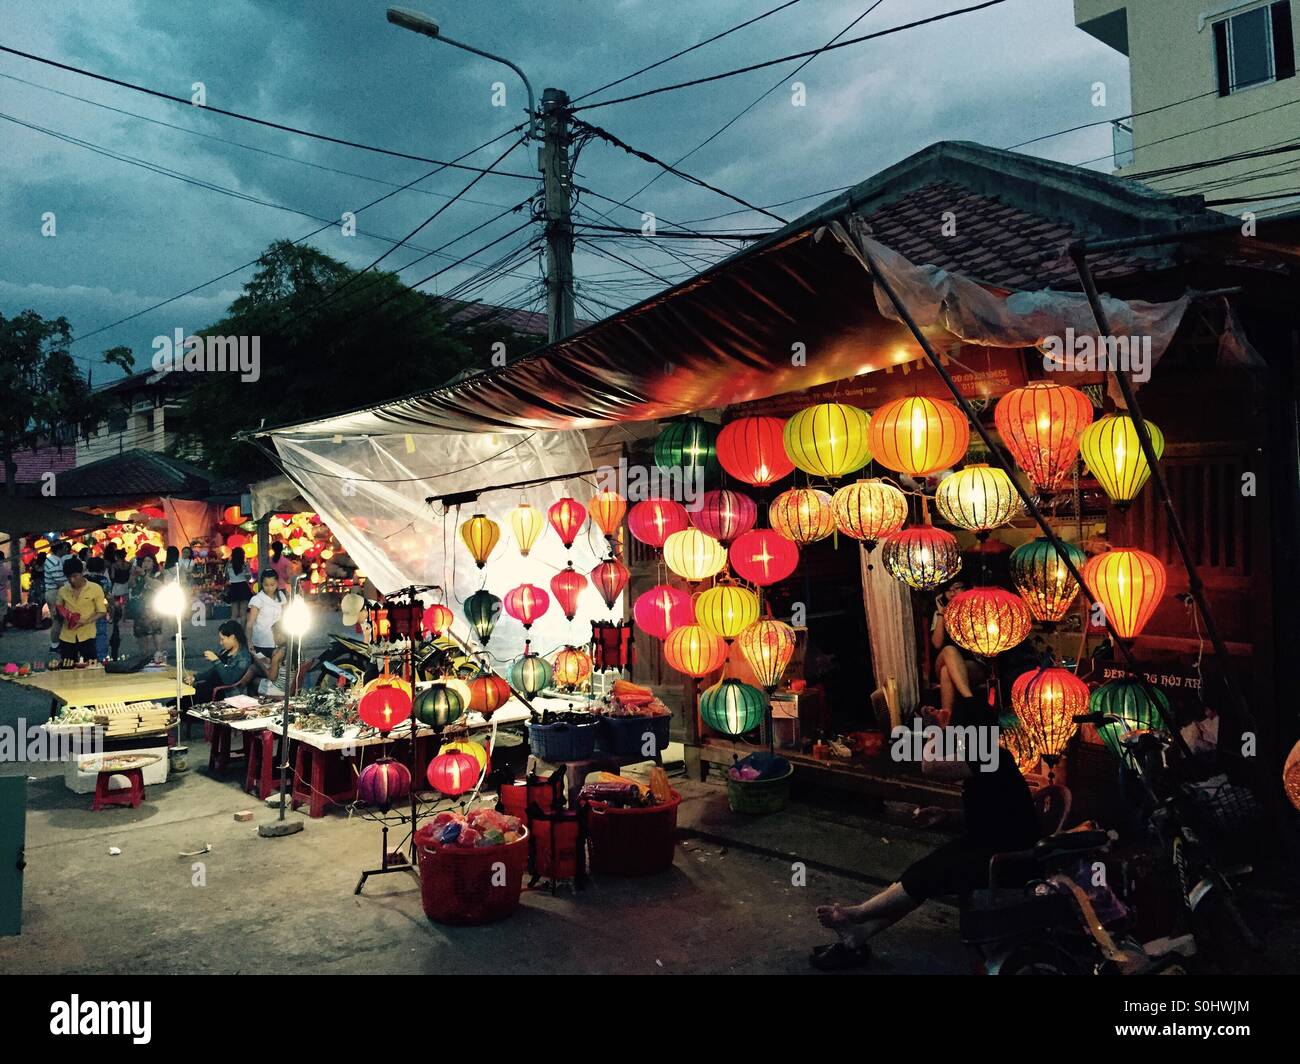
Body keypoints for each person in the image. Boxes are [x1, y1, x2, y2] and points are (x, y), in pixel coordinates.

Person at [811, 697, 1041, 970]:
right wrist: (947, 816)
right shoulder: (989, 756)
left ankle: (858, 914)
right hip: (990, 844)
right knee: (922, 872)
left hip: (1008, 859)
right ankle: (858, 932)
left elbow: (929, 766)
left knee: (929, 875)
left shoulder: (990, 755)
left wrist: (936, 729)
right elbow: (996, 814)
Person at [930, 580, 987, 721]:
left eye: (956, 588)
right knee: (949, 650)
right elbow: (937, 644)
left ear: (966, 589)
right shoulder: (940, 613)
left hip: (971, 663)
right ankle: (970, 701)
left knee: (946, 672)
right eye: (948, 590)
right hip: (944, 658)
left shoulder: (976, 610)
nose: (952, 593)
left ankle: (945, 723)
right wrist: (941, 613)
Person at [185, 620, 257, 704]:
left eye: (222, 639)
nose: (220, 643)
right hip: (209, 688)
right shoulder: (226, 652)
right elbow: (214, 671)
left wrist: (216, 660)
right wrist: (195, 677)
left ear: (232, 637)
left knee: (184, 705)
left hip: (221, 692)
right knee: (178, 701)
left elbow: (229, 679)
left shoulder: (244, 658)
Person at [54, 558, 108, 664]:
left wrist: (86, 621)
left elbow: (101, 611)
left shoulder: (95, 588)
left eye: (75, 576)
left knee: (90, 667)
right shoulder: (63, 591)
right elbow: (58, 607)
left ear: (82, 573)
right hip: (67, 636)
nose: (72, 580)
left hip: (87, 635)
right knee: (67, 667)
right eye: (69, 577)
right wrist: (62, 614)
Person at [246, 569, 287, 687]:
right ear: (261, 584)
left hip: (277, 641)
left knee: (275, 673)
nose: (269, 588)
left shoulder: (281, 597)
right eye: (266, 585)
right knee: (262, 673)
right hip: (262, 642)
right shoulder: (257, 600)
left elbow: (284, 617)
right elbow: (250, 623)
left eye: (272, 585)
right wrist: (249, 642)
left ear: (277, 583)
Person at [128, 553, 163, 662]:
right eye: (144, 561)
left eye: (149, 561)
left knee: (156, 629)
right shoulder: (137, 574)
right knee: (140, 631)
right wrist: (133, 575)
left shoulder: (158, 574)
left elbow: (157, 585)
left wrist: (144, 575)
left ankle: (159, 652)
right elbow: (131, 586)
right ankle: (144, 654)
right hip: (140, 605)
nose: (146, 563)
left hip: (154, 605)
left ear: (154, 563)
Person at [44, 541, 73, 650]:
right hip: (55, 593)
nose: (67, 549)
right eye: (65, 548)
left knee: (59, 620)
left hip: (55, 592)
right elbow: (60, 582)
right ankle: (55, 645)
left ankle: (58, 643)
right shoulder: (54, 562)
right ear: (60, 549)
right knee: (57, 620)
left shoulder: (53, 560)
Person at [86, 556, 112, 661]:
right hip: (99, 610)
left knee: (86, 635)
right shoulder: (103, 580)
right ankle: (101, 658)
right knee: (100, 634)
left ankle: (87, 657)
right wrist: (112, 608)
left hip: (85, 610)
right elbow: (108, 596)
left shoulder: (84, 579)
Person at [225, 547, 254, 624]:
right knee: (243, 613)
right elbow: (249, 577)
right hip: (244, 587)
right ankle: (243, 631)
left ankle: (233, 632)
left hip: (233, 588)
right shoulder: (245, 565)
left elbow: (226, 576)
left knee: (234, 614)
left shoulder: (228, 565)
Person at [0, 549, 9, 637]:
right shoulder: (5, 569)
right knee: (2, 613)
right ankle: (1, 629)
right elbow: (11, 576)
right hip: (2, 594)